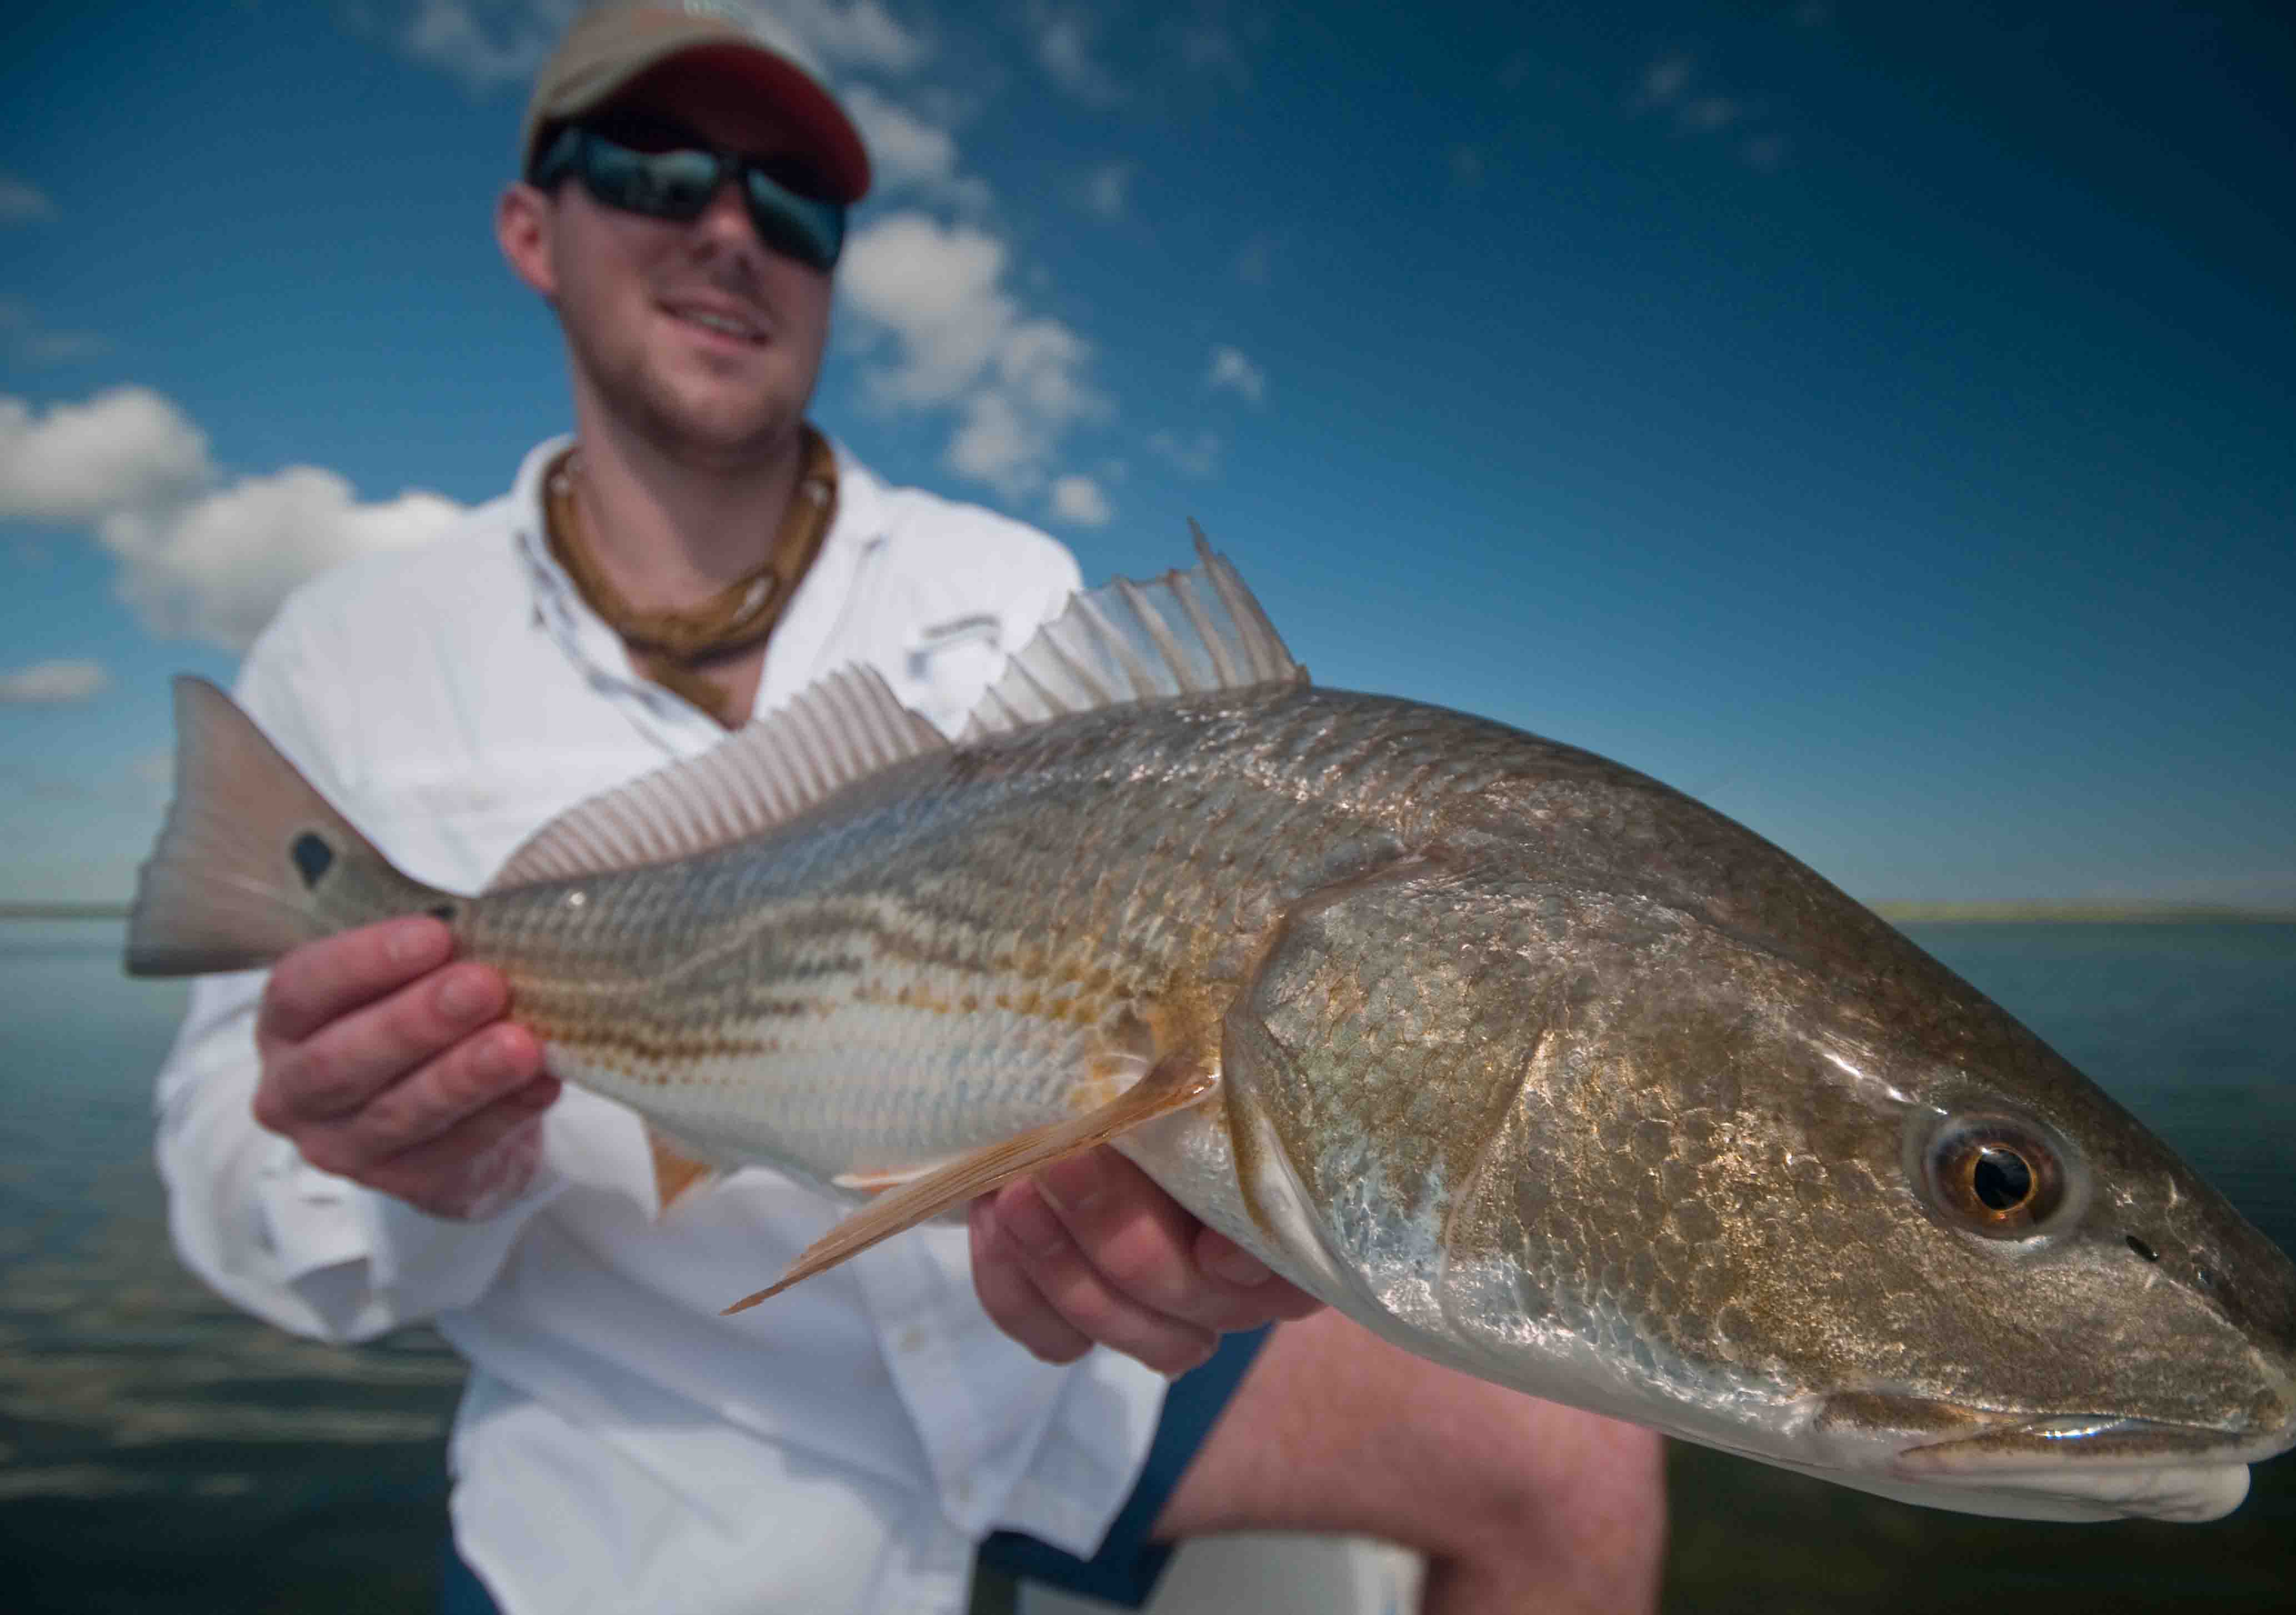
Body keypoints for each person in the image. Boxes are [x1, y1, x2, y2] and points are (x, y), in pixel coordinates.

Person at [150, 5, 1668, 1612]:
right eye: (657, 169)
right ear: (534, 228)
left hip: (1055, 1382)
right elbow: (234, 1208)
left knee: (1574, 1459)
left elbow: (1120, 1026)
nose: (732, 229)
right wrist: (402, 1164)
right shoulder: (354, 644)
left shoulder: (1001, 578)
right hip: (659, 1458)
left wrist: (1202, 1217)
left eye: (795, 198)